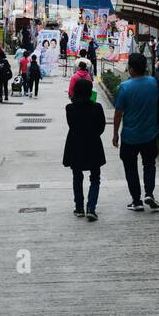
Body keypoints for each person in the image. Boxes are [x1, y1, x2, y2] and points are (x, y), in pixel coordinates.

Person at [112, 51, 159, 213]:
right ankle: (149, 194)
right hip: (150, 134)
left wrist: (115, 134)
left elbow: (118, 113)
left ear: (130, 69)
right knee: (149, 164)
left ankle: (136, 201)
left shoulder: (124, 87)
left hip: (129, 136)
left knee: (130, 168)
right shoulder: (155, 83)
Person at [63, 75, 106, 221]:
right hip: (93, 144)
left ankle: (79, 207)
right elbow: (101, 127)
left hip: (75, 145)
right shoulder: (97, 107)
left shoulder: (70, 108)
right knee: (95, 177)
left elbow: (72, 125)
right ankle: (91, 208)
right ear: (90, 92)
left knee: (77, 176)